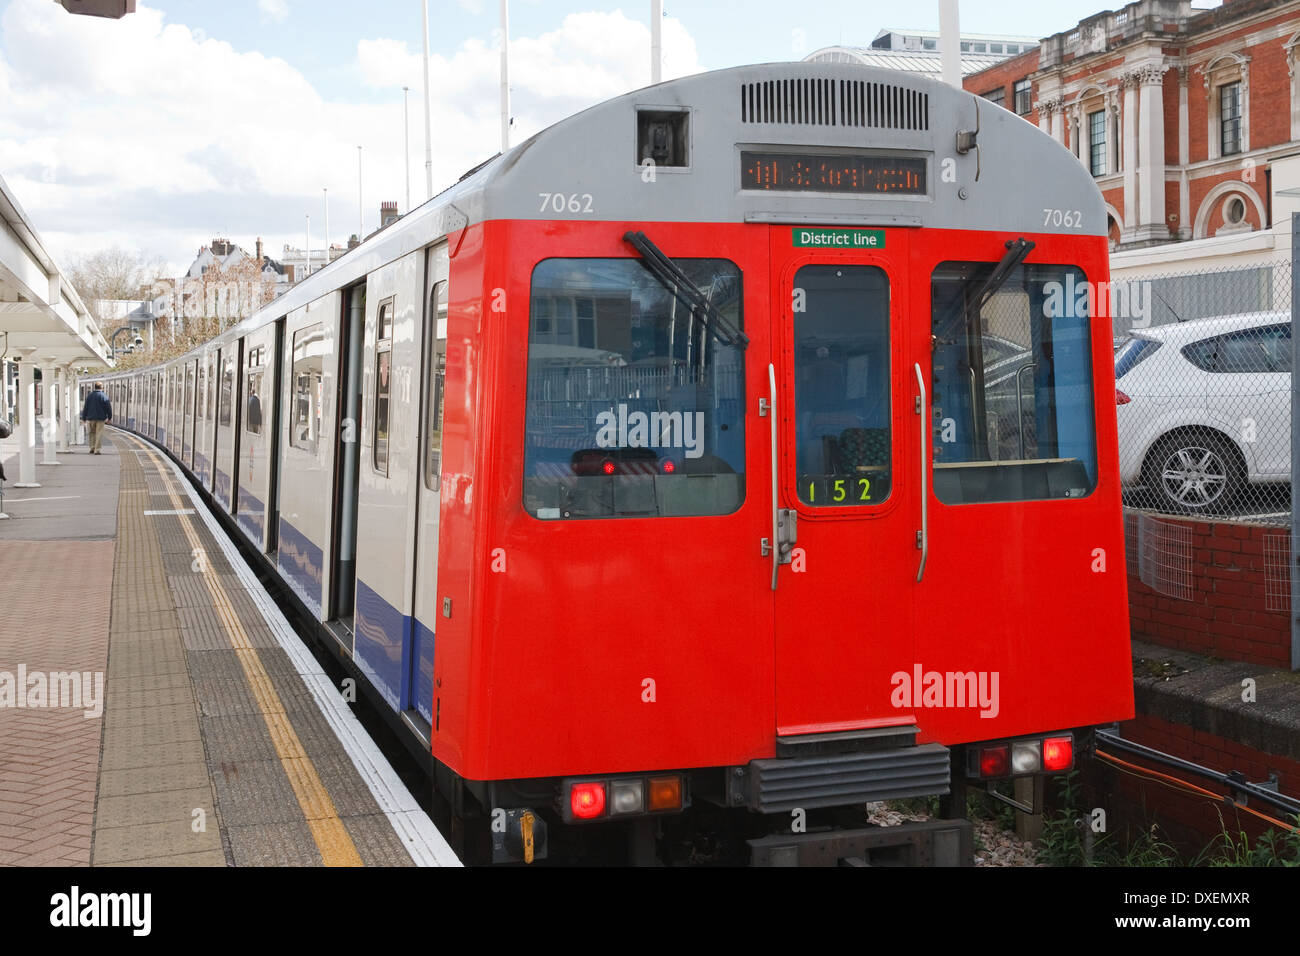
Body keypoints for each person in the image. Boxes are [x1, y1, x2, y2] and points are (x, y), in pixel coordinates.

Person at [80, 381, 112, 455]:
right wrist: (109, 417)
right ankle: (97, 450)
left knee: (91, 433)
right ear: (102, 387)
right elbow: (108, 408)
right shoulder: (104, 396)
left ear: (95, 387)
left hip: (90, 418)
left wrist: (84, 418)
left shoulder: (90, 396)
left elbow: (86, 407)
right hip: (101, 419)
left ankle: (92, 447)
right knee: (99, 433)